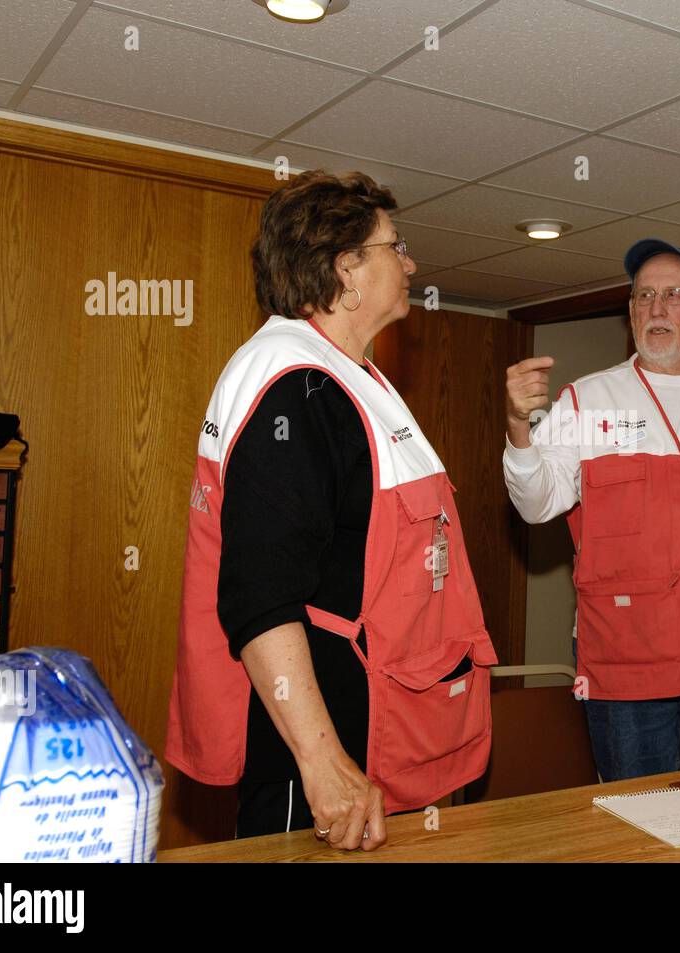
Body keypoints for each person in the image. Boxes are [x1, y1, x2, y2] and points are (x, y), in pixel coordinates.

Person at [166, 170, 497, 851]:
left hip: (385, 735)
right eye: (393, 247)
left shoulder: (352, 379)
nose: (409, 263)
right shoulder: (292, 385)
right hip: (329, 756)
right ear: (347, 271)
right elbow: (261, 595)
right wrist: (323, 765)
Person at [503, 239, 680, 781]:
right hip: (624, 664)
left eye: (673, 296)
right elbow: (537, 503)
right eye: (643, 297)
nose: (656, 310)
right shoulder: (587, 401)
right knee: (638, 819)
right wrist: (520, 427)